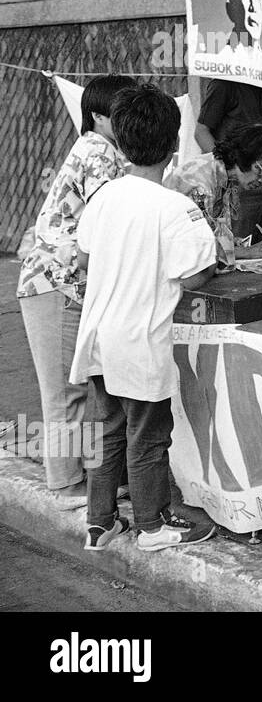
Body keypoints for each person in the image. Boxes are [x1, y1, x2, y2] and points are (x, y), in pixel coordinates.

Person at [72, 83, 218, 552]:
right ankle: (153, 526)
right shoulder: (177, 207)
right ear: (175, 144)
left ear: (122, 139)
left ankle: (101, 523)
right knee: (149, 436)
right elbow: (195, 278)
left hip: (99, 335)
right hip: (141, 340)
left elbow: (84, 260)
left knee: (109, 429)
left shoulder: (105, 196)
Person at [16, 74, 134, 498]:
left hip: (60, 284)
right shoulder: (98, 151)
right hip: (56, 283)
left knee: (78, 391)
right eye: (123, 113)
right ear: (100, 117)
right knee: (66, 394)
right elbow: (110, 220)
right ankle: (67, 486)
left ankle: (87, 479)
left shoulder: (101, 149)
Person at [165, 122, 262, 267]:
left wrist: (233, 242)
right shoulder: (202, 183)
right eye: (261, 169)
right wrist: (248, 252)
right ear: (243, 157)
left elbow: (213, 233)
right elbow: (200, 249)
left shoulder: (225, 176)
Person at [194, 79, 262, 240]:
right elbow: (201, 132)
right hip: (236, 180)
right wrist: (227, 164)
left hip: (255, 180)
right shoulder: (223, 85)